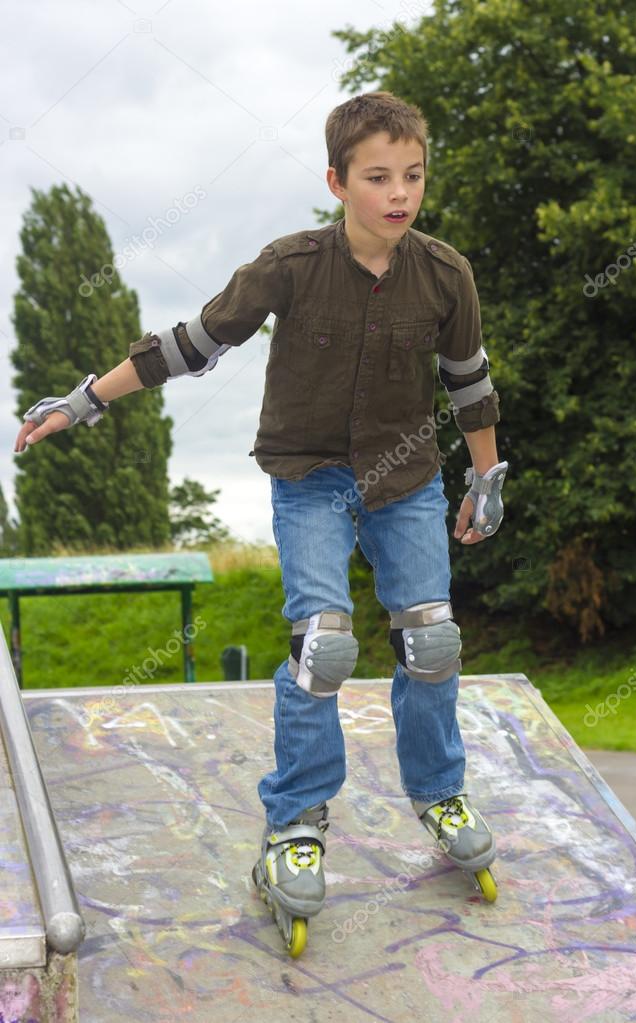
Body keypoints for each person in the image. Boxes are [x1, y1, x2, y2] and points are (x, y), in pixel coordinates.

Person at [14, 90, 508, 955]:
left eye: (414, 176)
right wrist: (87, 401)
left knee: (432, 640)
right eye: (378, 177)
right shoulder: (288, 265)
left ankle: (439, 792)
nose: (400, 194)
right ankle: (295, 822)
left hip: (407, 483)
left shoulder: (446, 274)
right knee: (324, 644)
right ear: (336, 182)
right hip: (309, 478)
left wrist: (488, 474)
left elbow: (469, 382)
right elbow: (191, 342)